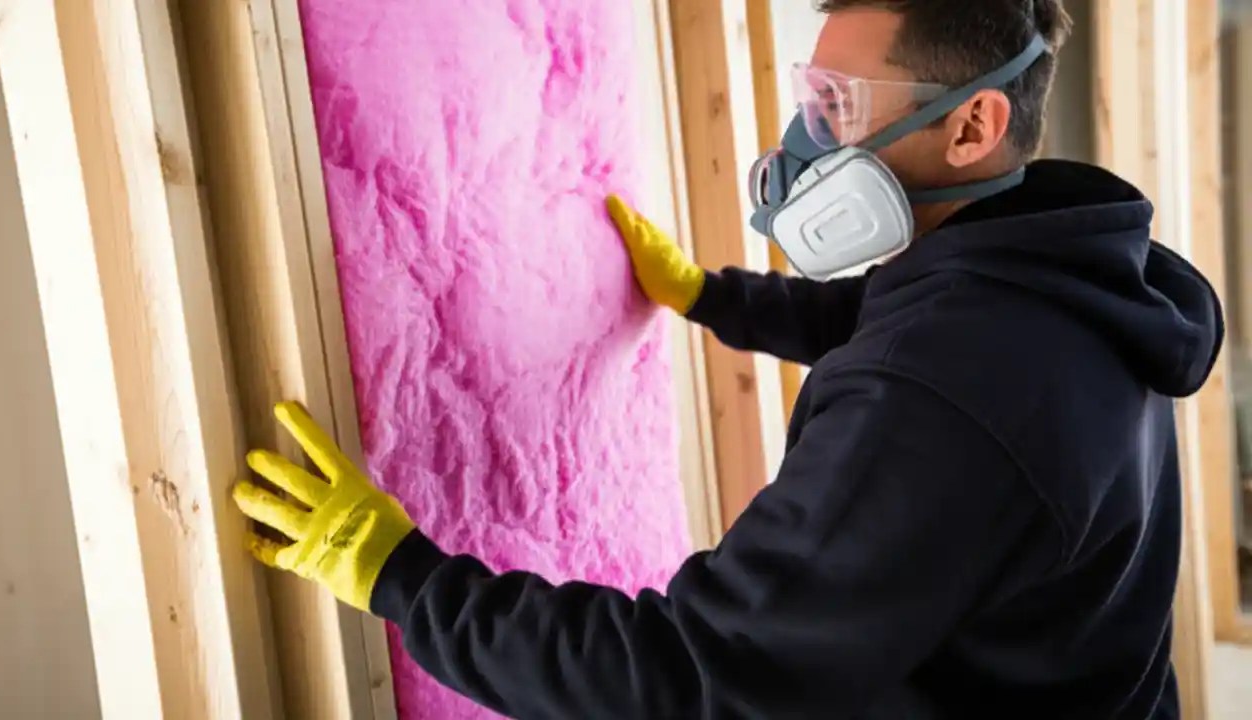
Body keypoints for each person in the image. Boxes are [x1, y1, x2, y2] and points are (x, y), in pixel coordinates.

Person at [232, 1, 1224, 717]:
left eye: (838, 101)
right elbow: (880, 317)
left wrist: (402, 577)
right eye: (810, 94)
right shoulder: (1062, 278)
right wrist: (713, 297)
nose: (806, 137)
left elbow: (693, 673)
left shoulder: (938, 401)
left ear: (971, 124)